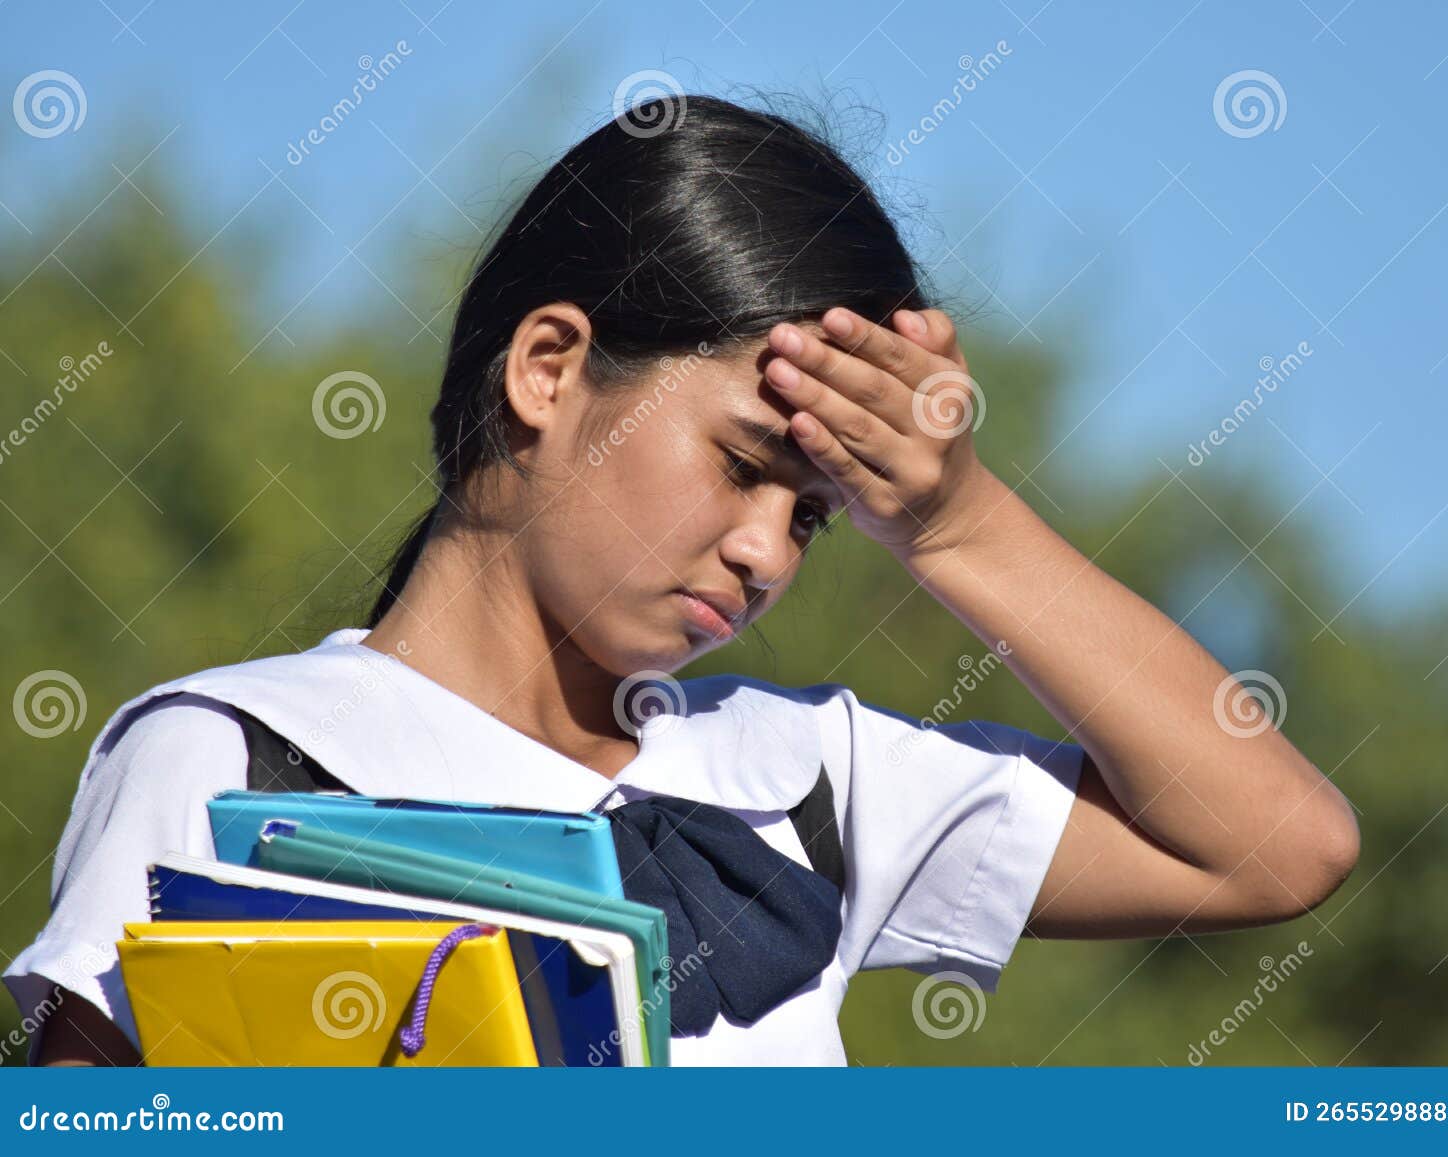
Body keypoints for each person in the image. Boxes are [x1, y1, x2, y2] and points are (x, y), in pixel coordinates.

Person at [4, 94, 1360, 1067]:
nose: (770, 550)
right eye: (742, 462)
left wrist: (955, 527)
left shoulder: (809, 774)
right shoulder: (234, 753)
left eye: (818, 515)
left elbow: (1278, 843)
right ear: (548, 368)